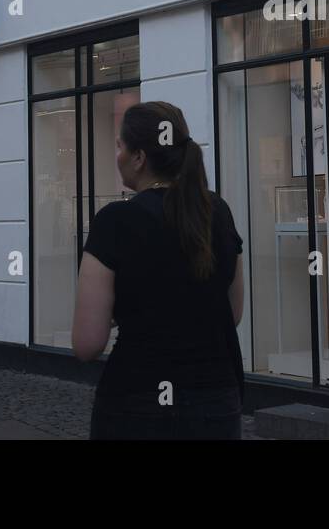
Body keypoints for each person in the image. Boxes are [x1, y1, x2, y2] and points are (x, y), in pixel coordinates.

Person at [72, 101, 246, 440]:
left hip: (137, 402)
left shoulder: (115, 221)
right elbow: (232, 313)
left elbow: (86, 344)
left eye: (120, 147)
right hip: (215, 402)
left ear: (138, 157)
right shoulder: (218, 212)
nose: (118, 155)